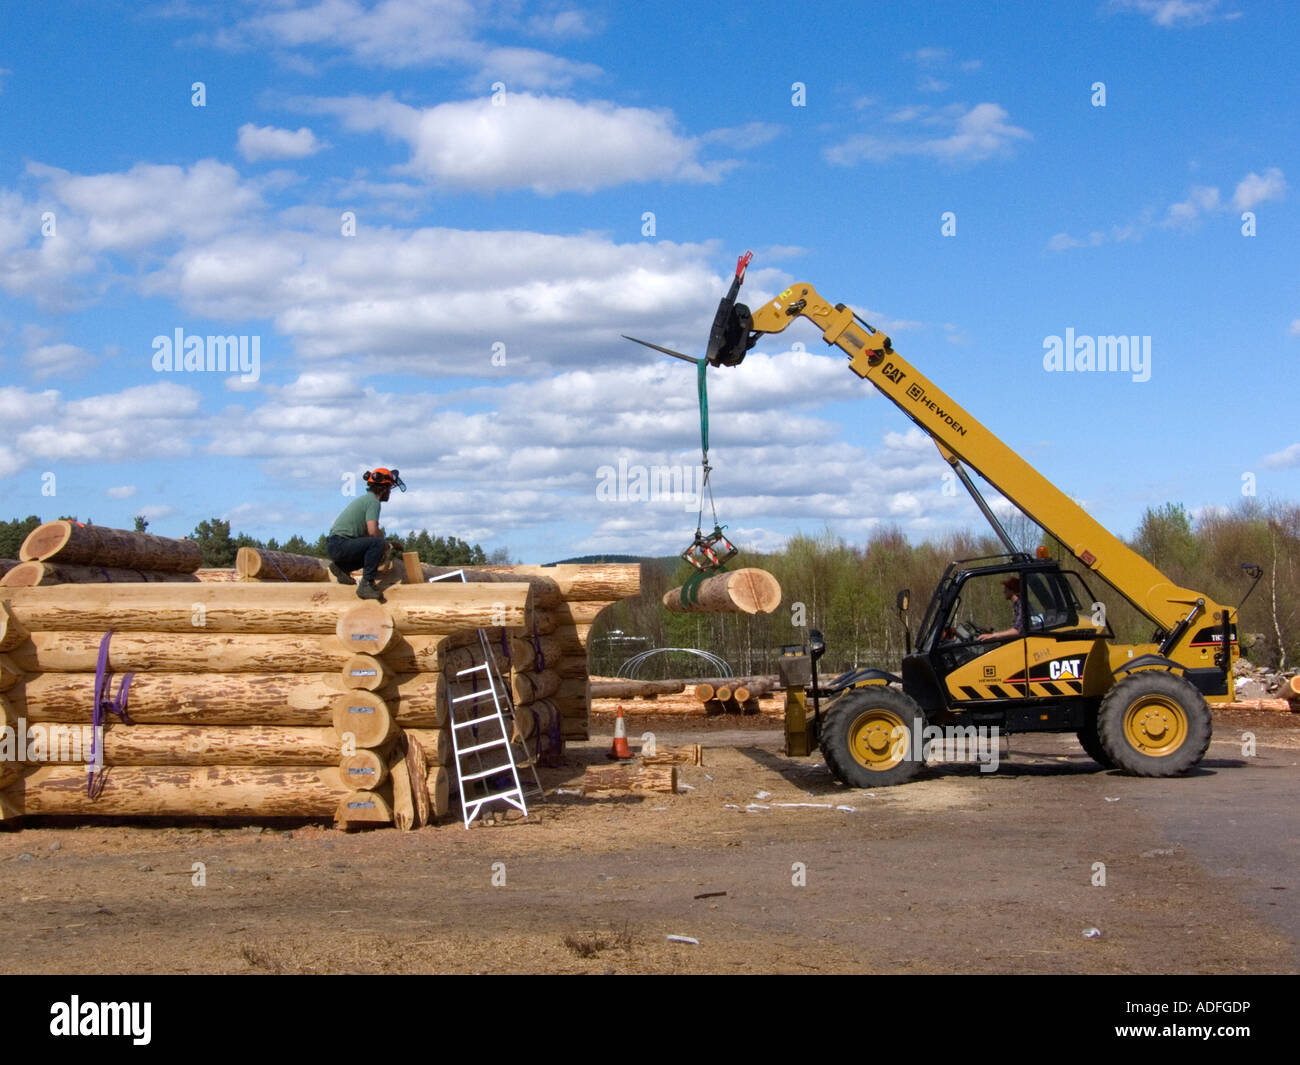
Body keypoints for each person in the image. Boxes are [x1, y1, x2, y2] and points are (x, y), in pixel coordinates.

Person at [326, 468, 405, 600]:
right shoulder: (373, 502)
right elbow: (373, 532)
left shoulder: (366, 500)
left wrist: (388, 545)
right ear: (384, 488)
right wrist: (385, 544)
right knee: (377, 544)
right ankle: (366, 585)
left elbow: (368, 538)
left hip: (335, 545)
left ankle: (342, 568)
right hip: (340, 544)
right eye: (390, 489)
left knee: (375, 549)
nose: (390, 493)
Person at [980, 576, 1024, 641]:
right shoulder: (1018, 604)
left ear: (1012, 590)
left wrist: (993, 635)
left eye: (1006, 588)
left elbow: (1017, 631)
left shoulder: (1021, 605)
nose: (1004, 591)